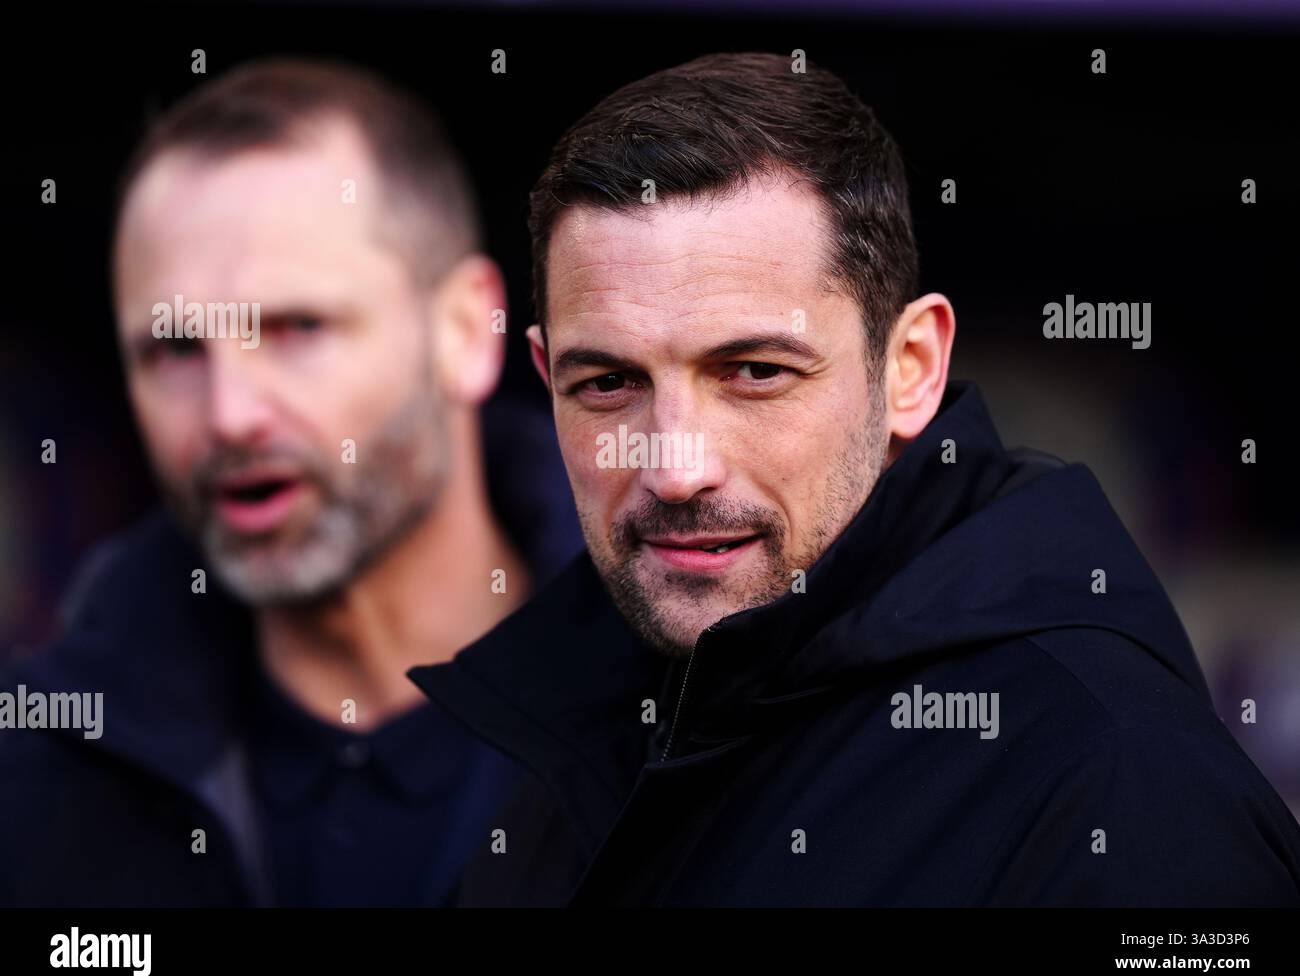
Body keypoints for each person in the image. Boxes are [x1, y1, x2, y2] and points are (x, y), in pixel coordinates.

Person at [410, 52, 1300, 905]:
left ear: (910, 365)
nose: (674, 467)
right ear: (544, 376)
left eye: (754, 371)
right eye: (608, 383)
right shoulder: (548, 738)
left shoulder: (1120, 788)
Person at [0, 58, 580, 906]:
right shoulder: (42, 769)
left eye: (298, 327)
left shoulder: (694, 724)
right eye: (173, 350)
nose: (231, 414)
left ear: (466, 331)